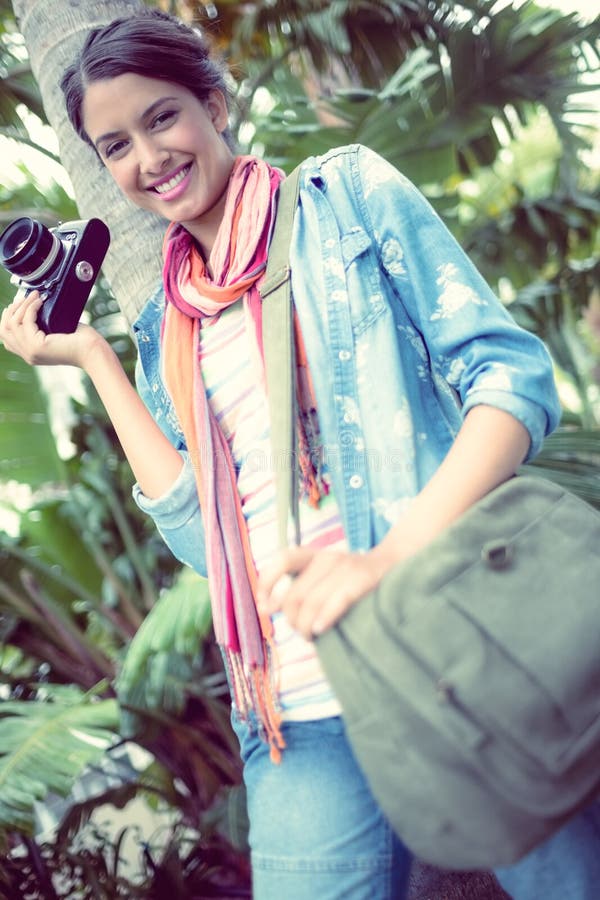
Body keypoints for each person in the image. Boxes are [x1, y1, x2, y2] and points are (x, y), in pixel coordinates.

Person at [1, 9, 598, 899]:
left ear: (215, 101)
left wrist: (386, 559)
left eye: (162, 117)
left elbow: (511, 385)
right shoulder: (170, 324)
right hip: (293, 705)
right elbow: (209, 541)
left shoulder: (343, 197)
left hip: (450, 655)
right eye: (115, 145)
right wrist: (93, 356)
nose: (148, 159)